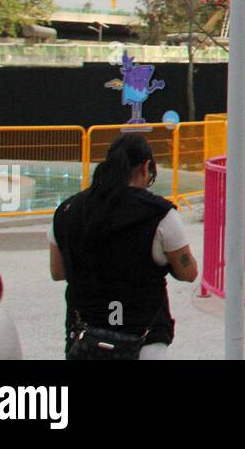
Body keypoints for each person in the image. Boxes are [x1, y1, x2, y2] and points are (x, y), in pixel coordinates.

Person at [50, 132, 197, 359]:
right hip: (144, 340)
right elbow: (188, 273)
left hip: (85, 339)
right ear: (146, 166)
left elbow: (58, 272)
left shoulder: (68, 211)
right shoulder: (159, 214)